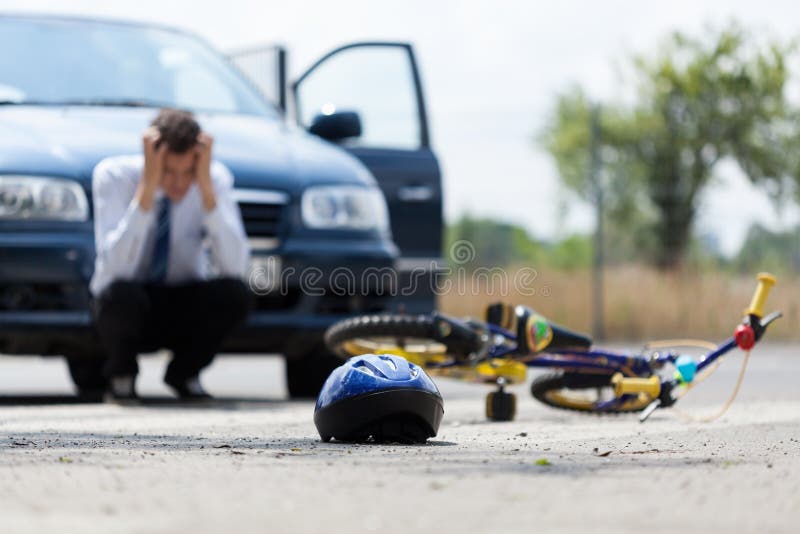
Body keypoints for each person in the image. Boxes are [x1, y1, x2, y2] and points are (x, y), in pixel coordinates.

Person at [90, 109, 252, 403]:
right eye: (168, 171)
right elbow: (114, 268)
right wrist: (147, 189)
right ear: (151, 158)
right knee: (119, 295)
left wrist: (205, 189)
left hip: (182, 302)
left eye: (187, 172)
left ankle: (185, 374)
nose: (179, 183)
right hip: (131, 304)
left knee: (235, 294)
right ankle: (122, 377)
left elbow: (235, 266)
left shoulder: (213, 178)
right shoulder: (113, 176)